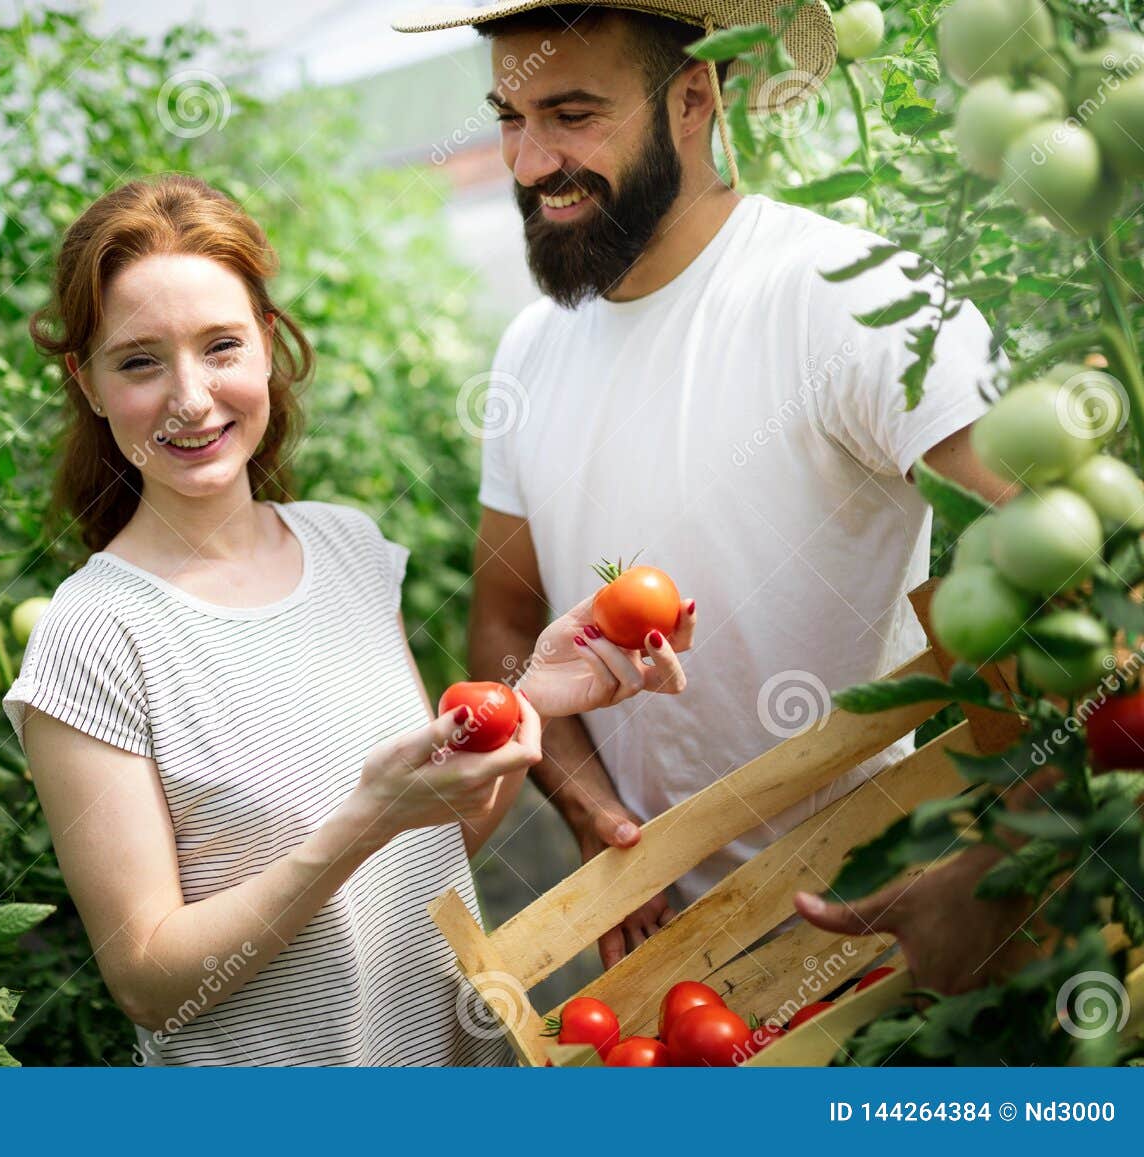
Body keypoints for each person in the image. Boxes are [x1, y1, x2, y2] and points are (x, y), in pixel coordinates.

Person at [3, 174, 687, 1065]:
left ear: (268, 348)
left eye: (221, 347)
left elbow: (425, 853)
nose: (191, 398)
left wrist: (530, 702)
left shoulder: (347, 551)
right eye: (139, 361)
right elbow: (147, 977)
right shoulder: (93, 636)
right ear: (86, 383)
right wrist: (358, 822)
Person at [391, 1, 1015, 966]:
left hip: (882, 918)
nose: (526, 164)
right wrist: (593, 810)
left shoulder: (851, 296)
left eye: (572, 114)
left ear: (693, 98)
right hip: (669, 962)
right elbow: (507, 623)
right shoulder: (527, 354)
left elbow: (1059, 576)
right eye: (511, 118)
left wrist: (995, 855)